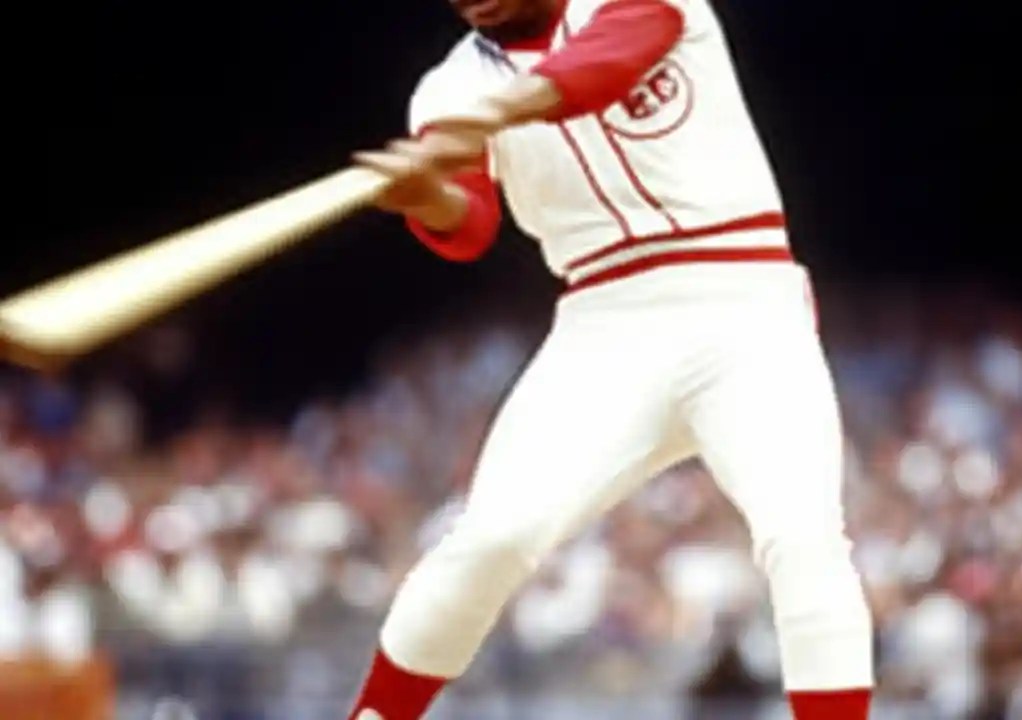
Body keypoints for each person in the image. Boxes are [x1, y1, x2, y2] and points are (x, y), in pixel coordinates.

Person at [347, 0, 876, 717]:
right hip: (602, 322)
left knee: (804, 537)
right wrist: (426, 196)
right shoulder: (447, 90)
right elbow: (468, 224)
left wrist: (496, 115)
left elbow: (605, 61)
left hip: (744, 299)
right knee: (490, 540)